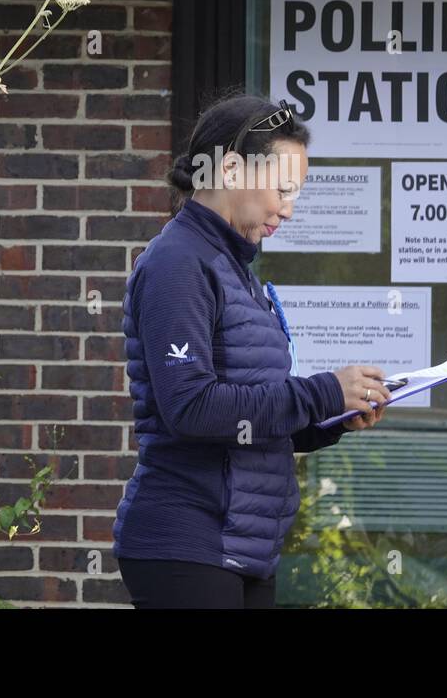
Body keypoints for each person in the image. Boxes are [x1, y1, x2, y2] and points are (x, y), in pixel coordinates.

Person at [112, 90, 391, 608]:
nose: (288, 209)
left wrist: (330, 419)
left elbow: (248, 419)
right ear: (234, 169)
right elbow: (191, 408)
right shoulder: (178, 264)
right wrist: (322, 392)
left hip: (242, 547)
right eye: (283, 189)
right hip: (189, 543)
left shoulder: (233, 269)